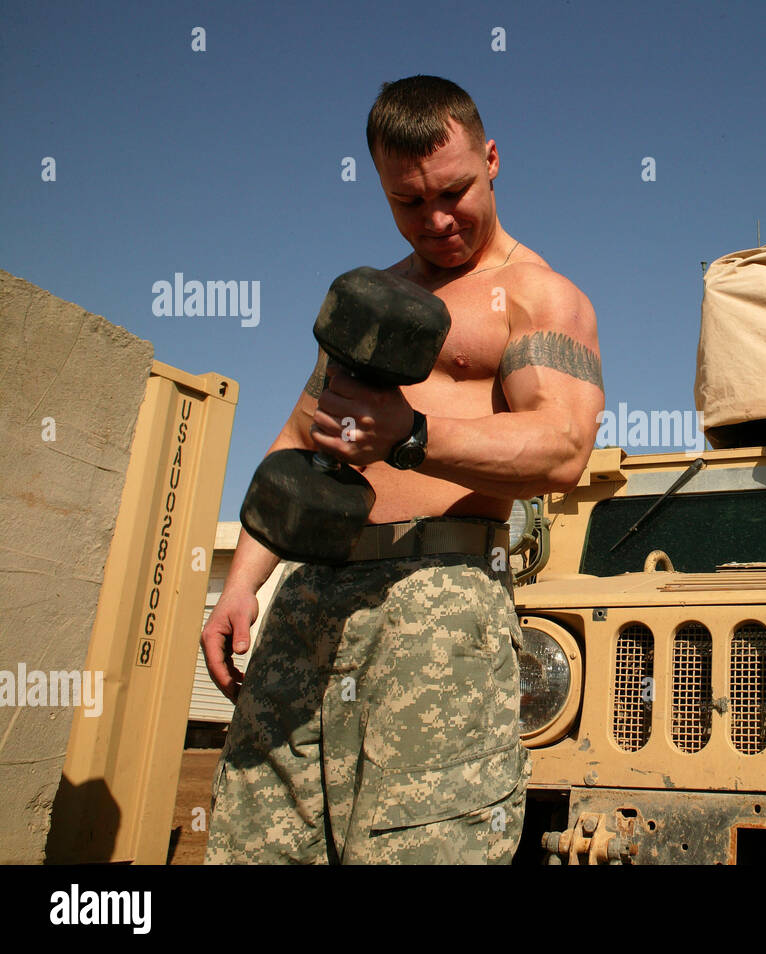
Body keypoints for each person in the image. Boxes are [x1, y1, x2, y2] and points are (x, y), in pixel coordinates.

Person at [200, 75, 603, 864]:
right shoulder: (372, 302)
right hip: (312, 595)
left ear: (491, 159)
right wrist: (242, 582)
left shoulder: (537, 298)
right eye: (409, 203)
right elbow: (299, 439)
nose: (438, 220)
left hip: (439, 602)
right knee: (255, 844)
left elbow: (563, 447)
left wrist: (410, 434)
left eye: (454, 192)